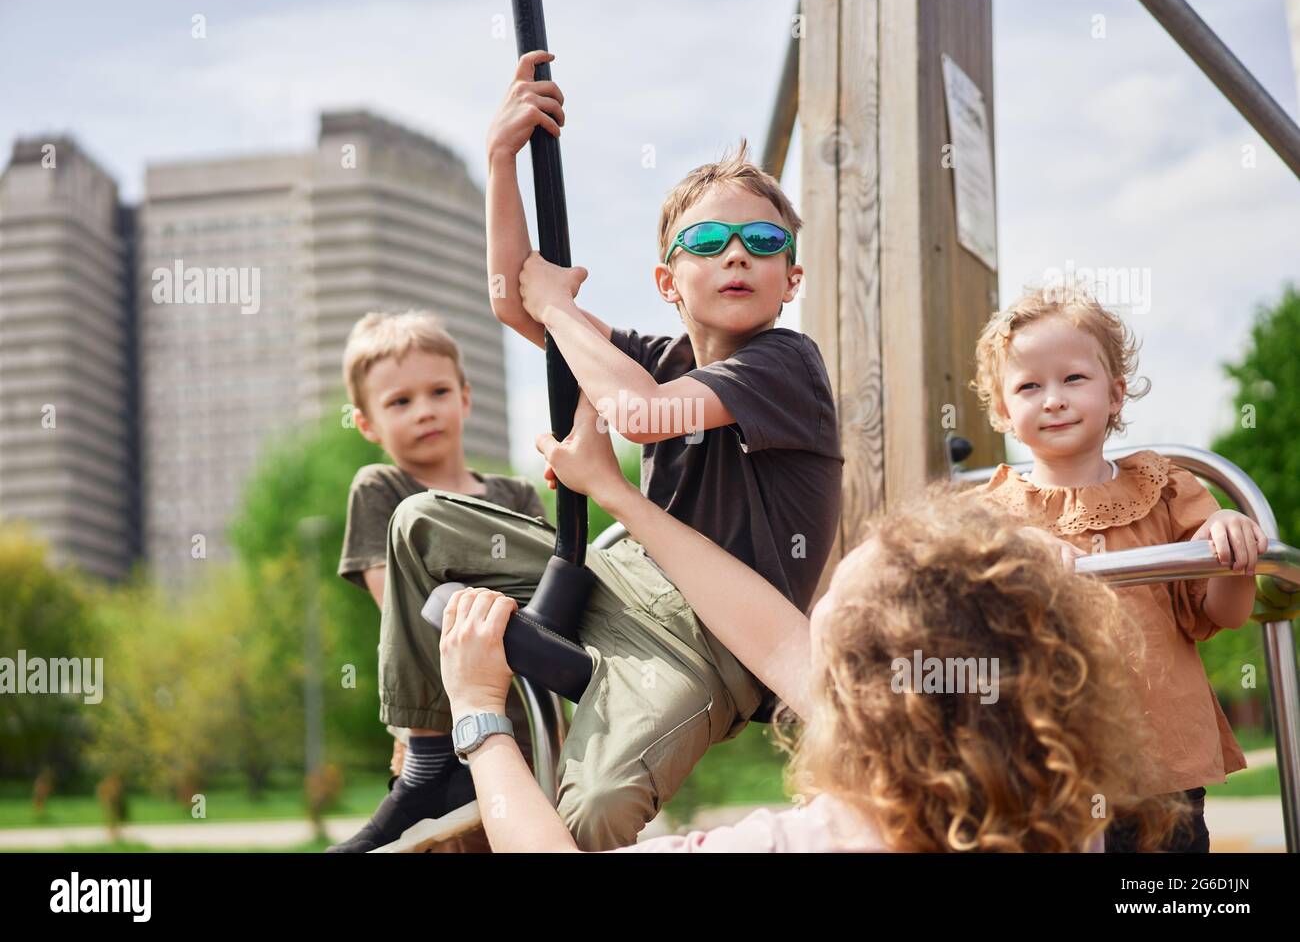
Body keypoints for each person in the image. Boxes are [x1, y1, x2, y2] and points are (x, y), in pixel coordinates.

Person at [331, 48, 843, 852]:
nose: (735, 252)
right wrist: (502, 160)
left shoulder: (787, 366)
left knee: (597, 805)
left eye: (761, 238)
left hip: (717, 643)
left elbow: (637, 416)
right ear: (669, 281)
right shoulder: (658, 356)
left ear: (792, 275)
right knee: (421, 521)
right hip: (621, 577)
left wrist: (559, 311)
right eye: (707, 239)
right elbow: (517, 304)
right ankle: (433, 761)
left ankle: (538, 735)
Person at [435, 397, 1183, 852]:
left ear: (863, 703)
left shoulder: (804, 841)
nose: (807, 614)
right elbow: (766, 635)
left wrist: (476, 714)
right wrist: (619, 495)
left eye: (828, 611)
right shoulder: (1053, 818)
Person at [969, 282, 1263, 852]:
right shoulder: (991, 518)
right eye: (1030, 386)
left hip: (1162, 773)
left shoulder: (1165, 491)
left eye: (1074, 378)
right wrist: (1020, 561)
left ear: (1116, 394)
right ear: (1004, 411)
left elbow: (1225, 615)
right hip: (1044, 776)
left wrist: (1230, 548)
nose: (1053, 398)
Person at [328, 310, 545, 852]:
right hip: (438, 722)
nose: (424, 411)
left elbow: (548, 607)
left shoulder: (514, 498)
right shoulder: (382, 487)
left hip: (525, 723)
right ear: (367, 423)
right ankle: (429, 776)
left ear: (465, 398)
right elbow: (399, 607)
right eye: (400, 402)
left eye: (438, 392)